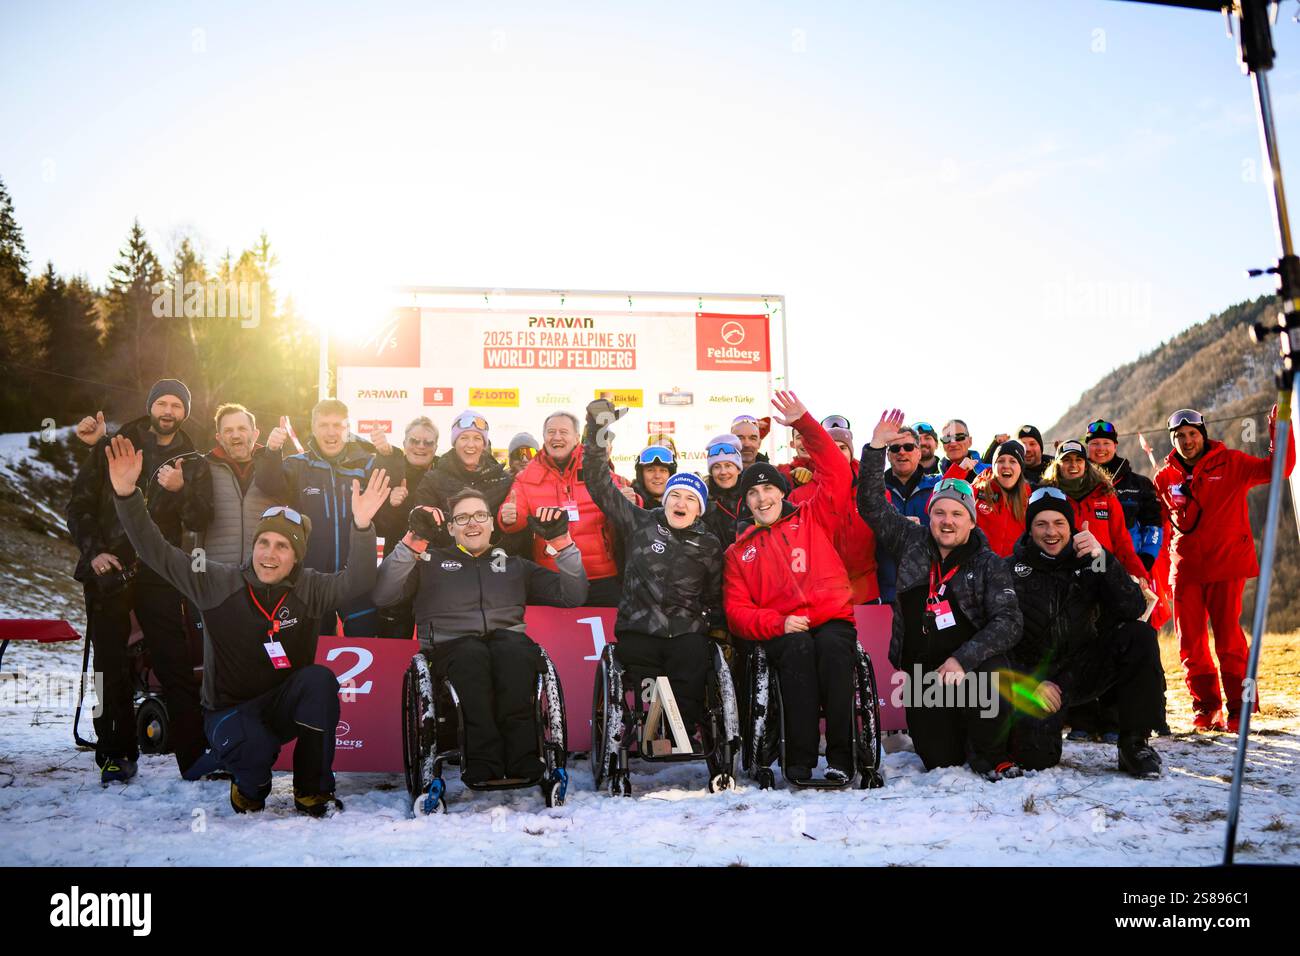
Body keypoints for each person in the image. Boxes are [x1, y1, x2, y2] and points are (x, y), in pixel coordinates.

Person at [103, 433, 391, 815]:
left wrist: (361, 524)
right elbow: (156, 551)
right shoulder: (215, 580)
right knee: (254, 759)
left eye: (282, 546)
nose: (269, 554)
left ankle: (312, 791)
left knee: (320, 680)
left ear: (296, 557)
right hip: (229, 712)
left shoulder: (310, 587)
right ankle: (248, 787)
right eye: (264, 543)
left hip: (280, 707)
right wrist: (126, 495)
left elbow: (358, 580)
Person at [372, 490, 586, 782]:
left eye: (480, 516)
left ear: (492, 523)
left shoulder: (514, 565)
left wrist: (561, 542)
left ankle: (524, 758)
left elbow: (573, 595)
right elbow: (384, 595)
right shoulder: (428, 562)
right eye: (462, 518)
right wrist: (413, 541)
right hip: (451, 648)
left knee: (514, 651)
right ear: (449, 528)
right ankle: (483, 760)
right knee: (472, 654)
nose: (472, 523)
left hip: (505, 643)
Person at [858, 408, 1022, 781]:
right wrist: (874, 448)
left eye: (956, 514)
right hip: (924, 675)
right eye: (940, 513)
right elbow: (870, 505)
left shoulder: (989, 563)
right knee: (939, 760)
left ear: (970, 520)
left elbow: (1009, 623)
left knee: (995, 679)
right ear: (929, 517)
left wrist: (962, 660)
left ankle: (991, 752)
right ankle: (958, 736)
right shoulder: (911, 540)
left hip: (973, 670)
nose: (947, 521)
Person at [66, 380, 211, 784]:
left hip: (159, 571)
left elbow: (200, 520)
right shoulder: (115, 444)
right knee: (109, 665)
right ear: (150, 406)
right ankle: (115, 754)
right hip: (107, 567)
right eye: (161, 403)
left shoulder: (194, 459)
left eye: (176, 405)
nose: (168, 411)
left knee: (174, 663)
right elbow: (78, 506)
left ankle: (193, 755)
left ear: (184, 411)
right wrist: (93, 551)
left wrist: (182, 491)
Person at [723, 391, 859, 784]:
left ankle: (841, 759)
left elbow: (837, 471)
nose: (762, 497)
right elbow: (737, 611)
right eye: (752, 493)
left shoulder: (814, 516)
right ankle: (797, 761)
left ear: (782, 492)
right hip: (784, 628)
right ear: (746, 502)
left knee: (834, 652)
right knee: (797, 655)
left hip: (831, 618)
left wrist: (805, 424)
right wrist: (777, 623)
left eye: (768, 489)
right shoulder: (739, 553)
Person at [583, 399, 724, 736]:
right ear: (665, 499)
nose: (681, 503)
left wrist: (715, 628)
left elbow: (715, 594)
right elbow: (597, 482)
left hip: (685, 633)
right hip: (639, 631)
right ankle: (657, 731)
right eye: (676, 496)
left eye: (690, 500)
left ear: (699, 510)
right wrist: (597, 430)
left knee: (691, 660)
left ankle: (677, 733)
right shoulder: (639, 522)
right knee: (653, 675)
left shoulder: (708, 544)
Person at [1004, 487, 1164, 777]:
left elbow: (1132, 607)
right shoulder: (1009, 569)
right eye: (1041, 524)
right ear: (1030, 528)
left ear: (1071, 526)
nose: (1051, 532)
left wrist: (1102, 556)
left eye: (1059, 523)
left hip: (1083, 670)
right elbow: (997, 640)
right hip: (1036, 679)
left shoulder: (1092, 559)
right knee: (1036, 759)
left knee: (1138, 635)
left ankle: (1134, 743)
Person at [1153, 406, 1295, 732]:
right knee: (1190, 645)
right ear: (1173, 440)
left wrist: (1280, 432)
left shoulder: (1231, 462)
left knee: (1229, 641)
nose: (1187, 441)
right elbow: (1160, 529)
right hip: (1185, 570)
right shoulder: (1164, 478)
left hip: (1226, 565)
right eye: (1180, 436)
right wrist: (1155, 575)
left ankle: (1239, 711)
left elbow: (1279, 469)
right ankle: (1206, 708)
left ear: (1203, 434)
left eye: (1192, 434)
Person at [255, 398, 405, 635]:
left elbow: (394, 480)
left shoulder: (365, 464)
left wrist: (387, 453)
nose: (331, 432)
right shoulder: (298, 465)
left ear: (348, 430)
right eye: (324, 425)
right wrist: (272, 452)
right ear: (314, 428)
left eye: (338, 425)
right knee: (314, 650)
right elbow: (268, 484)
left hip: (357, 577)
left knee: (364, 646)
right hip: (313, 580)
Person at [498, 410, 622, 606]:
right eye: (551, 431)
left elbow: (624, 506)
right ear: (544, 437)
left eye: (563, 432)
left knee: (609, 635)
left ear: (576, 437)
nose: (556, 437)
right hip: (554, 575)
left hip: (601, 575)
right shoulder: (526, 476)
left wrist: (634, 501)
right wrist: (508, 517)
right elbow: (515, 516)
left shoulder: (595, 468)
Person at [789, 419, 879, 604]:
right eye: (832, 448)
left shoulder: (871, 491)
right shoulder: (799, 495)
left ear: (851, 452)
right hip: (821, 592)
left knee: (868, 633)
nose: (837, 453)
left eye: (843, 448)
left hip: (865, 589)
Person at [1039, 440, 1149, 584]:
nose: (1073, 465)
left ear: (1086, 464)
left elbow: (1121, 539)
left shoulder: (1104, 493)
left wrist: (1138, 573)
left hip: (1103, 573)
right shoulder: (1046, 496)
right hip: (1064, 579)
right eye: (1066, 460)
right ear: (1057, 466)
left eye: (1078, 459)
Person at [373, 415, 444, 637]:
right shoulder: (389, 469)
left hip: (435, 571)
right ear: (404, 444)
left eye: (427, 442)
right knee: (394, 643)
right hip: (398, 568)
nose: (420, 447)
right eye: (414, 441)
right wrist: (390, 504)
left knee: (434, 643)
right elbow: (375, 524)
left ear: (436, 447)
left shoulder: (446, 474)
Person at [196, 404, 280, 566]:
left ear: (255, 434)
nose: (235, 435)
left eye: (242, 428)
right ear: (219, 438)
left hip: (263, 574)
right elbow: (194, 527)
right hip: (216, 575)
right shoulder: (203, 468)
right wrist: (198, 574)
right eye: (228, 431)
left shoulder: (274, 467)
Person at [1085, 419, 1163, 573]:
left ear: (1115, 446)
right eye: (1095, 443)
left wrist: (1146, 559)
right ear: (1087, 446)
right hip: (1090, 568)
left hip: (1130, 567)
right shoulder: (1077, 483)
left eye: (1106, 443)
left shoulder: (1139, 483)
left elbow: (1153, 526)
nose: (1101, 448)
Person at [877, 426, 942, 603]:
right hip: (885, 591)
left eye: (908, 447)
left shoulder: (938, 487)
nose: (902, 452)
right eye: (895, 448)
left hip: (928, 589)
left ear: (919, 452)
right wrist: (893, 526)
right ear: (888, 455)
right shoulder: (874, 490)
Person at [964, 440, 1031, 558]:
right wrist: (959, 471)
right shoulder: (977, 490)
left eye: (1013, 461)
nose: (1006, 465)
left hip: (1012, 571)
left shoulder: (1029, 499)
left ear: (1021, 468)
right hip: (979, 568)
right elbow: (937, 505)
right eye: (1000, 461)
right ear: (993, 467)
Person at [702, 435, 745, 548]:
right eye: (716, 467)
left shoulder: (752, 494)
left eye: (728, 465)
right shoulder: (703, 500)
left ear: (738, 469)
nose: (723, 472)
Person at [632, 443, 676, 509]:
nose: (657, 476)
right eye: (650, 470)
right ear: (641, 475)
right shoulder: (630, 502)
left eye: (663, 470)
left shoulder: (680, 505)